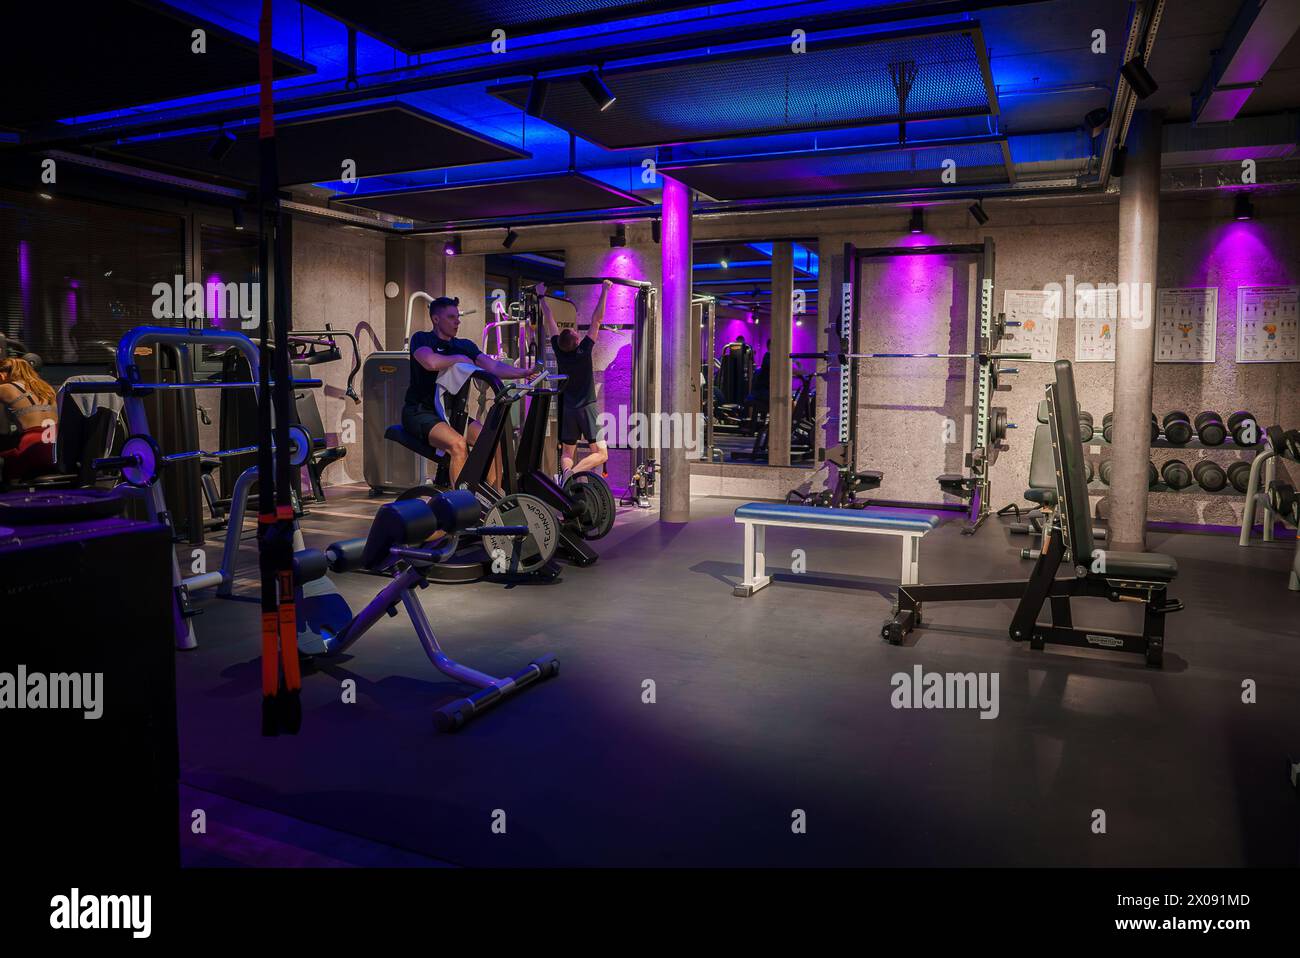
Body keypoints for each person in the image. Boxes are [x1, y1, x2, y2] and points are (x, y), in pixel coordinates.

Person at [403, 296, 537, 486]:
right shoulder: (422, 339)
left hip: (453, 414)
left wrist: (524, 372)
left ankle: (494, 497)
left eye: (458, 317)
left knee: (493, 440)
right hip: (421, 412)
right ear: (435, 319)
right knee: (458, 445)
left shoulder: (464, 345)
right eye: (451, 317)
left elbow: (495, 367)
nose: (457, 321)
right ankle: (461, 508)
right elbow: (430, 362)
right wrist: (459, 359)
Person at [536, 280, 611, 479]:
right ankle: (571, 475)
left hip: (568, 409)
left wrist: (542, 297)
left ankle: (565, 475)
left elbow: (549, 321)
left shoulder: (560, 351)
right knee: (602, 454)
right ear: (577, 341)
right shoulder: (583, 351)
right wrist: (604, 291)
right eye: (577, 333)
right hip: (587, 407)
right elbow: (597, 319)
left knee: (568, 452)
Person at [0, 356, 58, 482]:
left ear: (3, 375)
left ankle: (9, 495)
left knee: (3, 459)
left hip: (32, 447)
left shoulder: (6, 388)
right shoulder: (47, 388)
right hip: (56, 447)